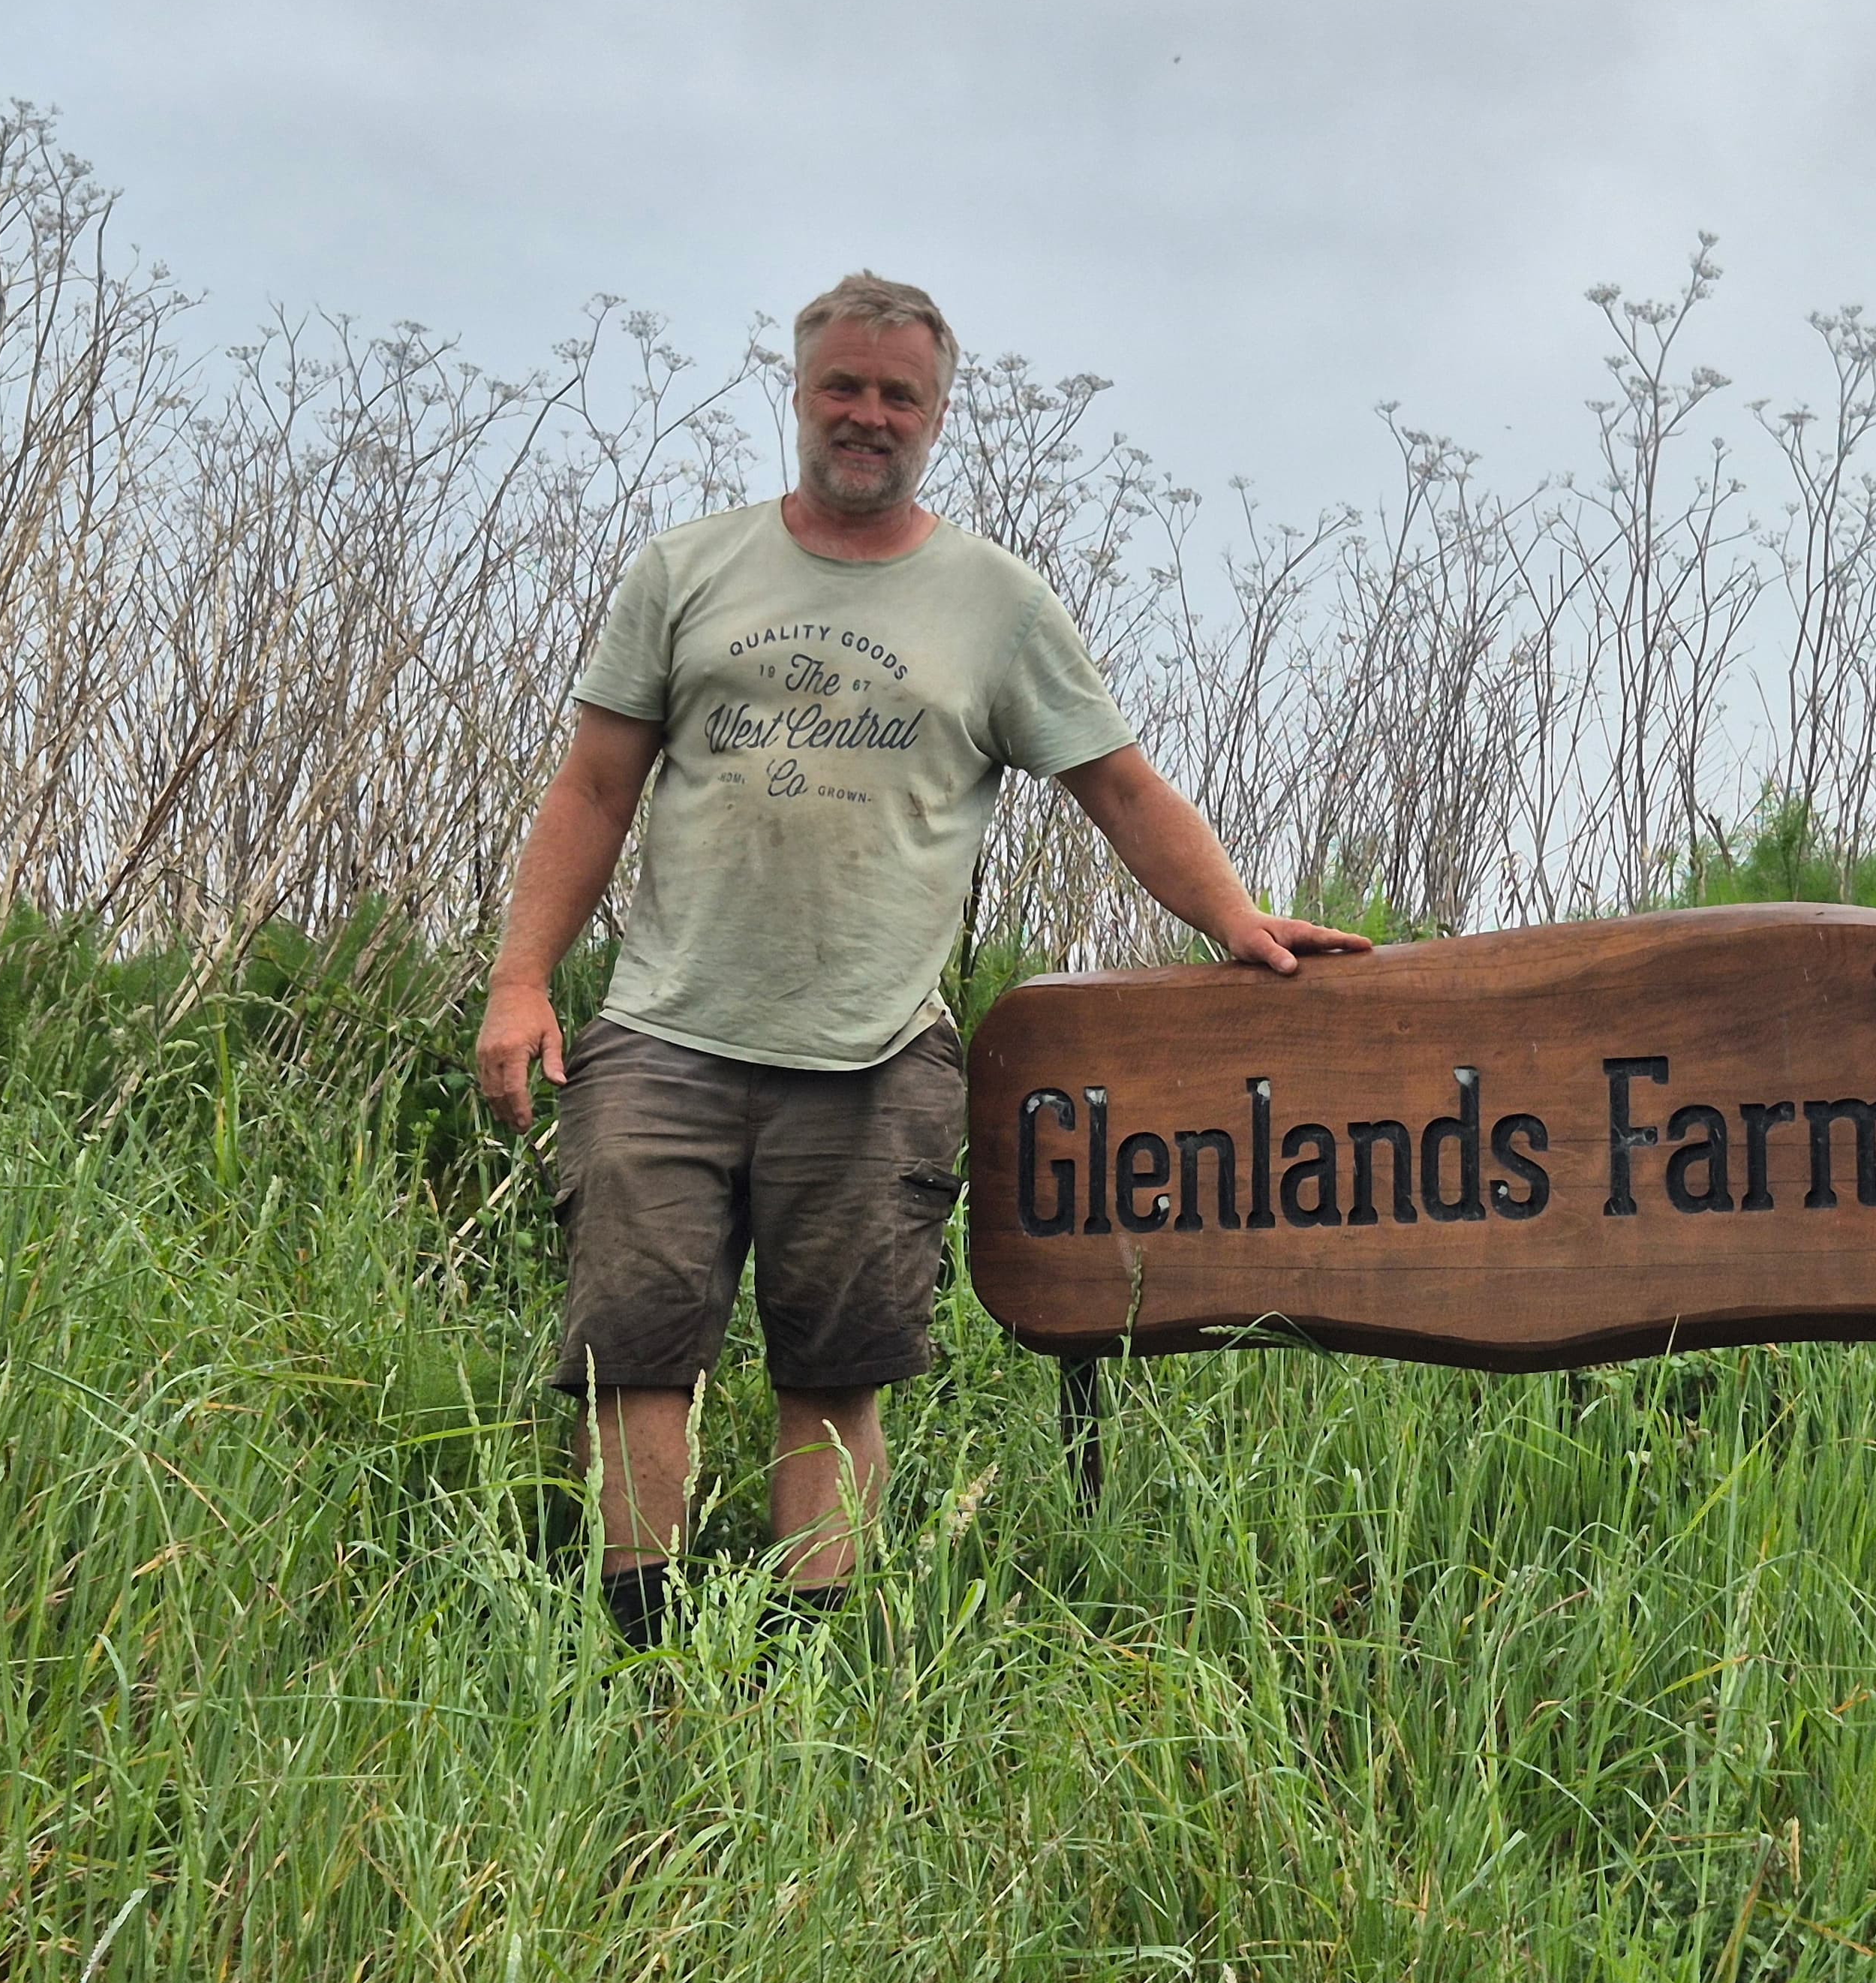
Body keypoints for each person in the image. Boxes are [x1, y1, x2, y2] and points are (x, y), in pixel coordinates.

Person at [474, 272, 1366, 1646]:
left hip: (874, 1051)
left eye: (899, 394)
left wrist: (1234, 921)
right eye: (845, 385)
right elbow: (593, 787)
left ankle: (804, 1672)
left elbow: (1119, 784)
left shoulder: (995, 604)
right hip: (666, 1035)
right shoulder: (685, 569)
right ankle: (638, 1656)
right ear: (799, 391)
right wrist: (523, 980)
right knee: (636, 1354)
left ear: (938, 415)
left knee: (836, 1370)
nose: (868, 415)